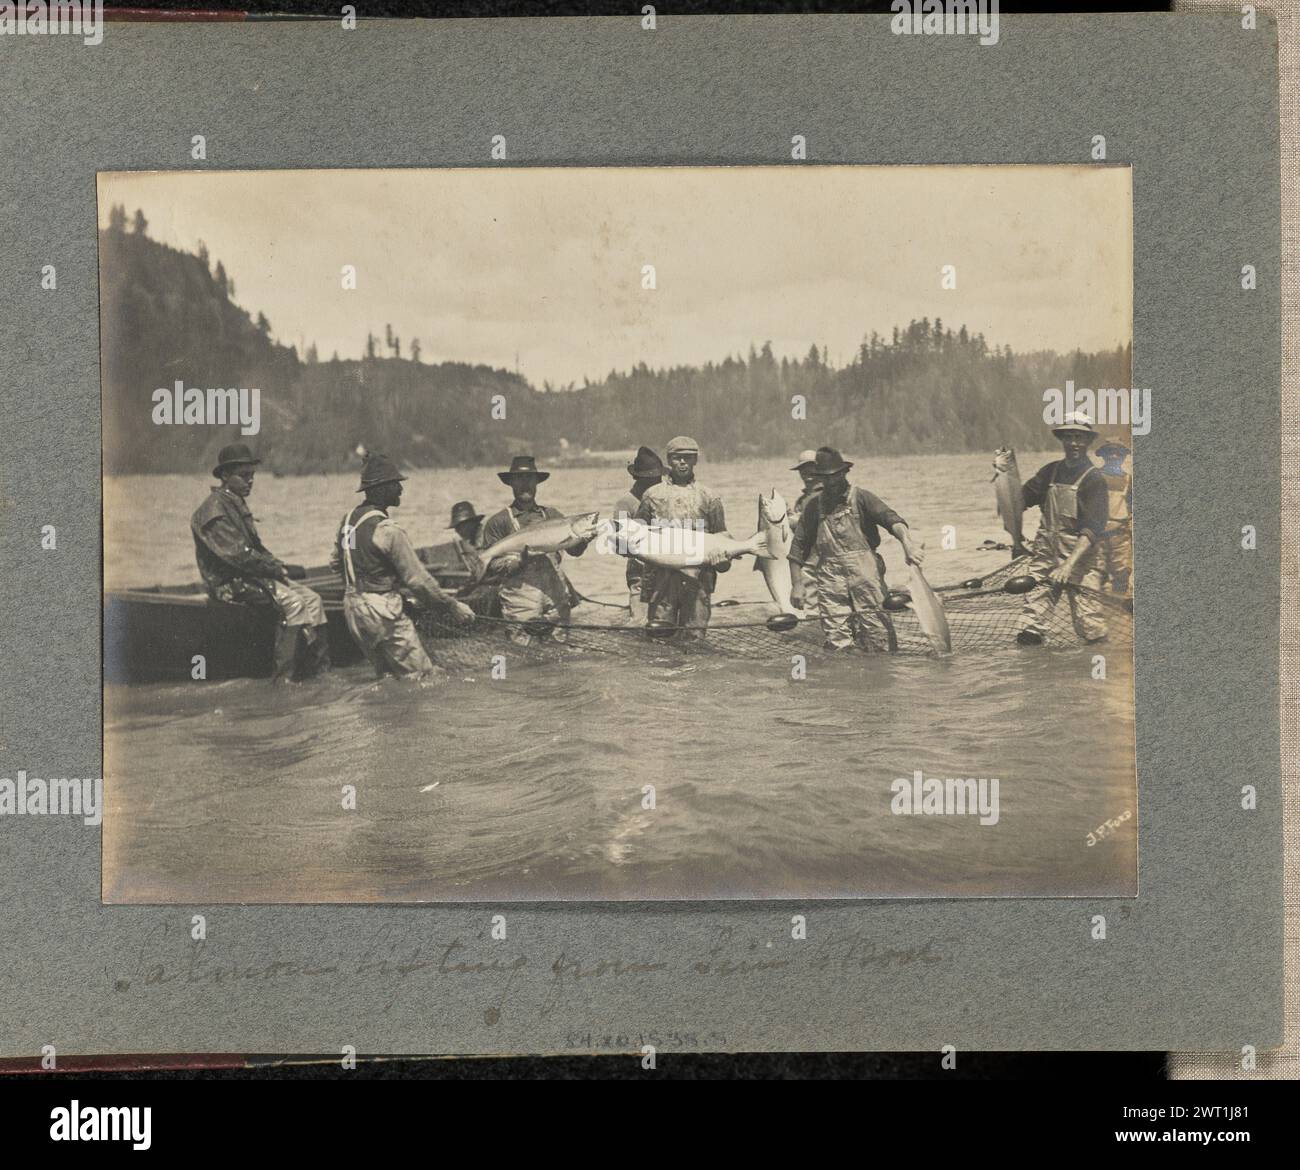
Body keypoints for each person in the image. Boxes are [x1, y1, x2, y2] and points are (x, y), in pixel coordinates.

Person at [191, 442, 329, 683]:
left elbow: (255, 550)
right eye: (244, 476)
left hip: (251, 577)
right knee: (295, 604)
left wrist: (277, 567)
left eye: (252, 476)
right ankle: (284, 678)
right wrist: (277, 569)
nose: (250, 481)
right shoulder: (214, 510)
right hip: (228, 584)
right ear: (225, 475)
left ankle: (317, 672)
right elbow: (238, 555)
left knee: (313, 600)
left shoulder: (234, 502)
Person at [331, 454, 475, 678]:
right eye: (395, 484)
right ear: (380, 488)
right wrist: (452, 607)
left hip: (353, 610)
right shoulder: (388, 529)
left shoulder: (348, 523)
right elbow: (418, 580)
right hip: (382, 611)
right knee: (425, 678)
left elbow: (338, 563)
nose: (400, 489)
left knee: (388, 677)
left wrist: (371, 588)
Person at [787, 446, 923, 652]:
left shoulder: (862, 498)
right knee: (837, 639)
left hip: (866, 578)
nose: (831, 482)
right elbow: (797, 547)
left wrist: (908, 544)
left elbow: (892, 520)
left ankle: (881, 676)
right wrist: (797, 585)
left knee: (877, 634)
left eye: (835, 476)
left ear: (844, 472)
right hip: (830, 581)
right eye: (825, 477)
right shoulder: (814, 507)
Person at [1015, 413, 1109, 645]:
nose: (1074, 443)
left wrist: (1068, 566)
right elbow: (1019, 501)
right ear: (1062, 440)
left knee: (1091, 627)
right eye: (1069, 437)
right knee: (1029, 627)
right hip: (1045, 557)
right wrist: (1003, 479)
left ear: (1088, 441)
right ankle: (1034, 675)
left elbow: (1092, 530)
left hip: (1082, 560)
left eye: (1079, 437)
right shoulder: (1050, 472)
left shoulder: (1094, 479)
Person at [480, 455, 592, 645]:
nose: (526, 485)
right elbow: (491, 568)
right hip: (521, 605)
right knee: (524, 660)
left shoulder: (553, 515)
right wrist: (518, 562)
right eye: (520, 479)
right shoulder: (499, 522)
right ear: (511, 483)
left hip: (556, 601)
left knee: (561, 658)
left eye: (530, 479)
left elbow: (574, 551)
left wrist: (584, 539)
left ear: (537, 483)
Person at [634, 435, 733, 634]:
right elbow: (636, 534)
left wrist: (724, 561)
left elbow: (721, 534)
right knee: (660, 638)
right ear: (669, 460)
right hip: (661, 580)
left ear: (696, 460)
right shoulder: (652, 495)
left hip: (698, 579)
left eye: (688, 458)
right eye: (677, 457)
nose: (682, 462)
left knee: (695, 637)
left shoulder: (709, 496)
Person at [612, 446, 665, 622]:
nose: (655, 483)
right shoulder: (625, 504)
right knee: (640, 622)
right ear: (637, 478)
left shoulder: (663, 499)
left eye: (657, 479)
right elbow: (619, 546)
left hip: (666, 572)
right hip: (640, 576)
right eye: (649, 480)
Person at [1094, 440, 1133, 595]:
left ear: (1123, 457)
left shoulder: (1128, 480)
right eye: (1110, 452)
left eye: (1119, 453)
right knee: (1096, 573)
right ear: (1103, 456)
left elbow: (1131, 506)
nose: (1114, 456)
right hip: (1096, 535)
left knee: (1122, 573)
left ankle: (1118, 609)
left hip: (1120, 535)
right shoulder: (1094, 476)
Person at [446, 500, 485, 574]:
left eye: (459, 527)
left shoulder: (483, 536)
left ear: (470, 523)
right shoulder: (475, 537)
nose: (457, 531)